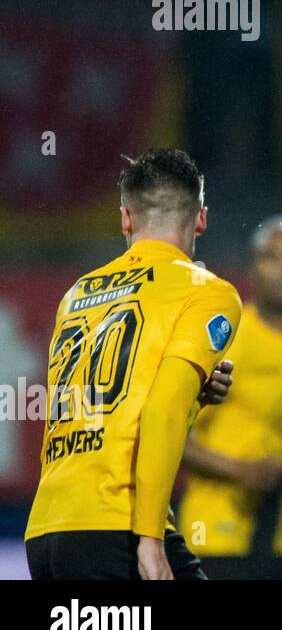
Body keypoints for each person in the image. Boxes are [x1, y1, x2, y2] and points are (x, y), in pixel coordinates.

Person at [26, 148, 241, 581]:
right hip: (118, 528)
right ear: (201, 218)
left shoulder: (76, 295)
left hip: (47, 530)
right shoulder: (207, 292)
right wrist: (150, 542)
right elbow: (162, 408)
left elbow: (103, 407)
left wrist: (195, 400)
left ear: (126, 218)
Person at [180, 215, 282, 580]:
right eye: (271, 257)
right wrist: (239, 471)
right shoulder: (226, 341)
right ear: (253, 271)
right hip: (218, 542)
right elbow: (168, 435)